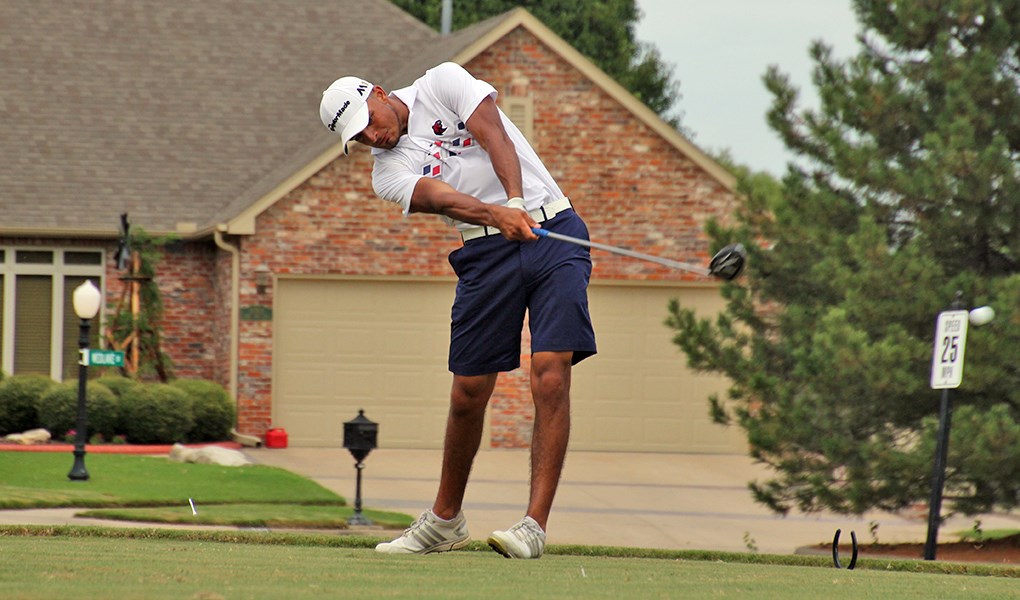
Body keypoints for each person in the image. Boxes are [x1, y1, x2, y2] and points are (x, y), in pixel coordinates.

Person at [319, 62, 596, 559]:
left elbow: (495, 137)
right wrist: (497, 214)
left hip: (553, 233)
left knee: (550, 373)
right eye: (358, 137)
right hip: (485, 252)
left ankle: (533, 526)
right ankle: (446, 521)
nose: (371, 137)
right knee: (468, 391)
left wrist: (515, 202)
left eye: (369, 121)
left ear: (379, 93)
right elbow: (442, 198)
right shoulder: (387, 173)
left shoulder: (441, 83)